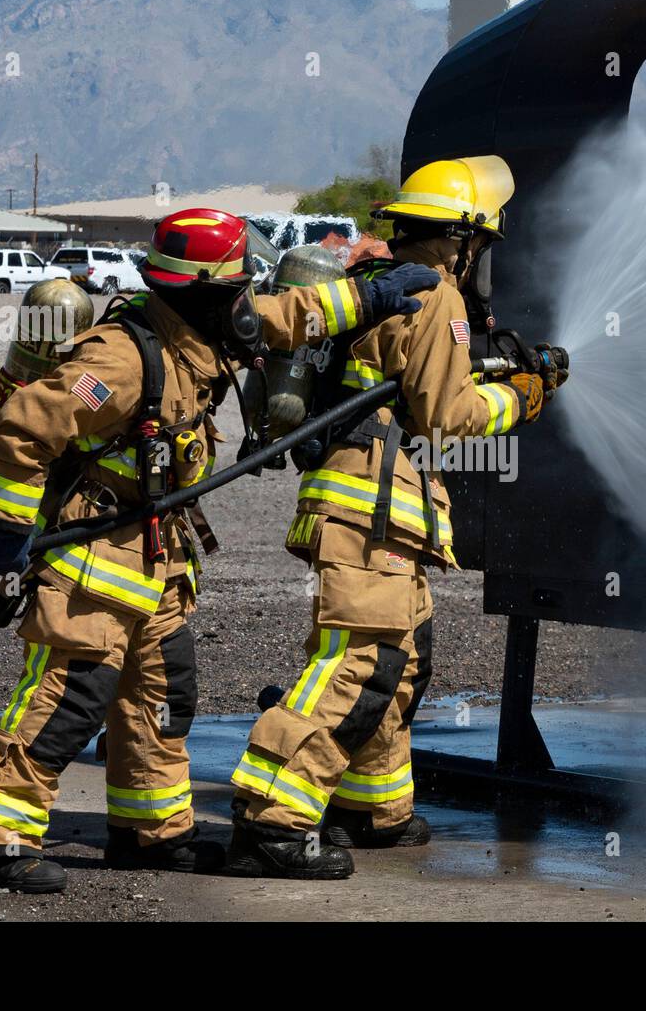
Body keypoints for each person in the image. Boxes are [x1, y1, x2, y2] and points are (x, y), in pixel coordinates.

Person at [0, 208, 439, 893]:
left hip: (153, 560)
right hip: (92, 560)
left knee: (162, 696)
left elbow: (288, 314)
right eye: (239, 287)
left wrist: (368, 297)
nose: (249, 300)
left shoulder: (196, 332)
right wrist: (8, 527)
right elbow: (28, 423)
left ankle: (149, 831)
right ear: (207, 292)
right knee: (70, 698)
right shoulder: (123, 359)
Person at [226, 157, 560, 879]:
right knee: (358, 665)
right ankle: (270, 820)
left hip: (372, 509)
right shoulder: (436, 295)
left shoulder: (377, 282)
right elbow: (447, 417)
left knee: (400, 665)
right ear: (462, 240)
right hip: (371, 512)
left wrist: (499, 368)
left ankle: (371, 809)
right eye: (484, 246)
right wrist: (525, 399)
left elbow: (411, 385)